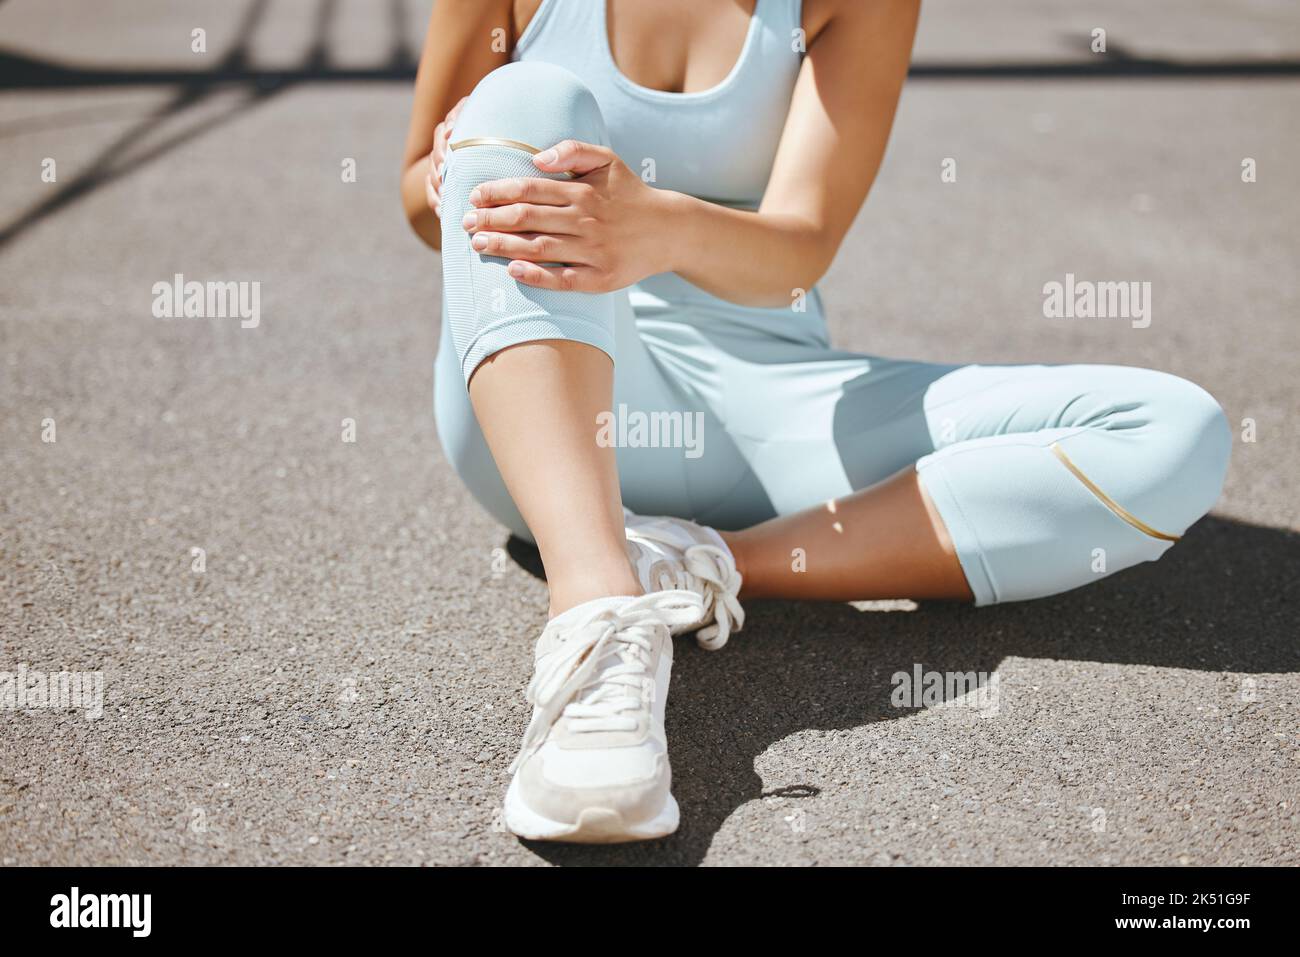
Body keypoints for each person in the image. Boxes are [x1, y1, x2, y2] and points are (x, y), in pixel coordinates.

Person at [400, 0, 1230, 842]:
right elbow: (414, 194)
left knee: (1172, 433)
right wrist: (465, 167)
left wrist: (660, 226)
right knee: (522, 100)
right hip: (552, 403)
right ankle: (594, 609)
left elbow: (800, 246)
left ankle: (690, 567)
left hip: (767, 402)